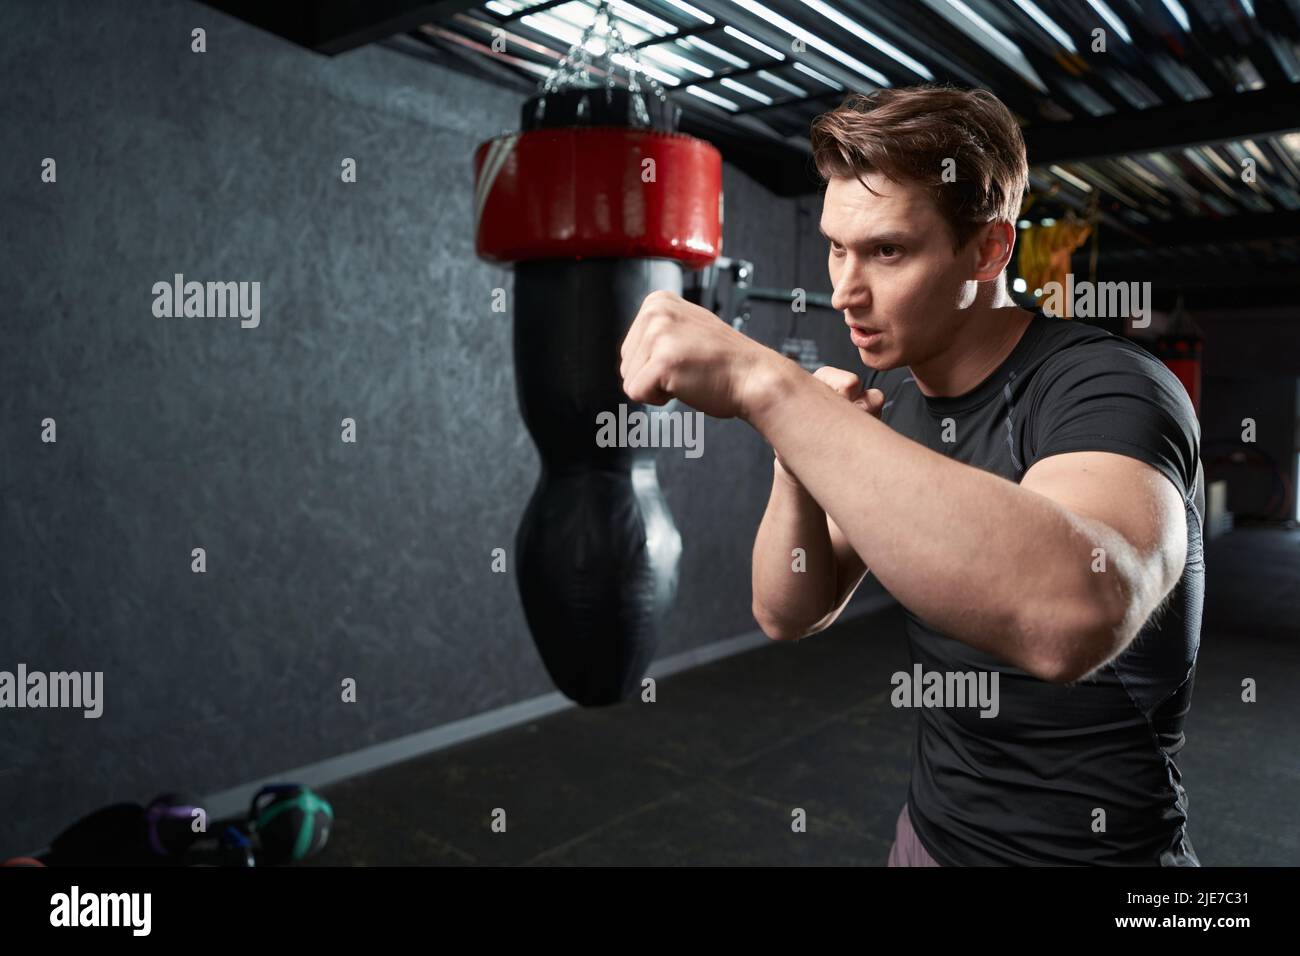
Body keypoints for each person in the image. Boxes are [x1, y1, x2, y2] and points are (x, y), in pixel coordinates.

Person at [618, 85, 1203, 866]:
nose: (844, 290)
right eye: (836, 246)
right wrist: (796, 452)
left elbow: (1071, 617)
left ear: (991, 250)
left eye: (887, 251)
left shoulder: (1105, 387)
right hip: (929, 840)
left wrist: (769, 385)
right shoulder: (890, 398)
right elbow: (791, 608)